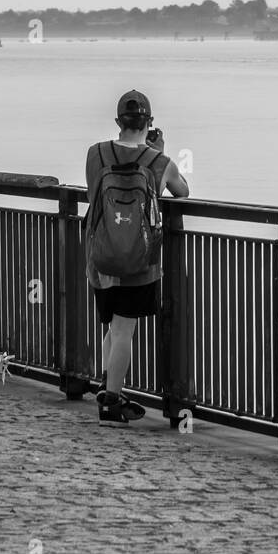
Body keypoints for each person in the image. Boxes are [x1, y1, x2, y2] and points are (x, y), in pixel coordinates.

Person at [85, 89, 189, 424]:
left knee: (113, 327)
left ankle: (106, 383)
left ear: (118, 122)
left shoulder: (96, 153)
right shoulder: (160, 163)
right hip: (140, 261)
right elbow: (182, 191)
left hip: (101, 256)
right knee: (124, 331)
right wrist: (158, 154)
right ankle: (111, 402)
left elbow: (92, 193)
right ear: (150, 123)